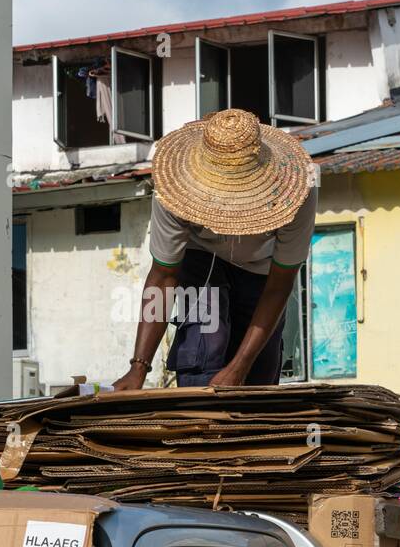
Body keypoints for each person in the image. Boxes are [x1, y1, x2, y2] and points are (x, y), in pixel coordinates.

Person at [112, 108, 316, 390]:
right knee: (206, 342)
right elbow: (162, 277)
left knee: (259, 374)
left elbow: (280, 285)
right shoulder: (172, 184)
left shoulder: (299, 185)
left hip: (261, 270)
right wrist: (138, 367)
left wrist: (239, 367)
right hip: (200, 256)